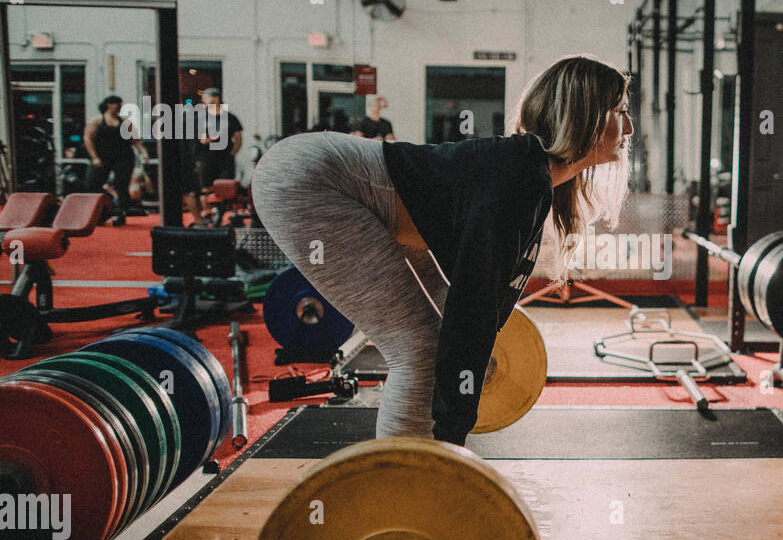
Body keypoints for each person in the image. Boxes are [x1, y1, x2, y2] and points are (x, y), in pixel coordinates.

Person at [251, 55, 631, 446]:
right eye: (620, 111)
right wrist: (453, 434)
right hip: (311, 181)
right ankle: (406, 485)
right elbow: (474, 309)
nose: (630, 127)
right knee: (417, 346)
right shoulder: (520, 179)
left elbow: (468, 301)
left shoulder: (529, 172)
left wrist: (462, 388)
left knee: (437, 326)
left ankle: (418, 469)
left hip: (341, 185)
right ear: (586, 116)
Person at [83, 95, 148, 225]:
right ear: (108, 105)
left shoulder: (125, 122)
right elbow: (88, 139)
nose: (119, 106)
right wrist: (94, 157)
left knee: (121, 186)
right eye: (116, 104)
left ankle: (120, 214)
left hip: (123, 156)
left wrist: (144, 153)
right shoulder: (96, 121)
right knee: (93, 184)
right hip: (103, 156)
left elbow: (135, 140)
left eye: (120, 104)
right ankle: (99, 213)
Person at [183, 87, 243, 225]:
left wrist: (232, 152)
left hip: (224, 158)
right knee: (205, 188)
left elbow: (238, 137)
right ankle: (207, 214)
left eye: (215, 101)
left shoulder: (230, 117)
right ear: (204, 102)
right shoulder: (197, 118)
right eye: (210, 102)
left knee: (224, 188)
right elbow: (195, 140)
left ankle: (220, 216)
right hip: (204, 158)